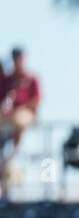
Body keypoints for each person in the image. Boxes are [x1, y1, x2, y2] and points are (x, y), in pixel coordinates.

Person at [0, 46, 40, 195]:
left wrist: (18, 109)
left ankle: (14, 152)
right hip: (7, 118)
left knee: (18, 120)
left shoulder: (31, 78)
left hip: (24, 114)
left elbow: (36, 100)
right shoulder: (7, 80)